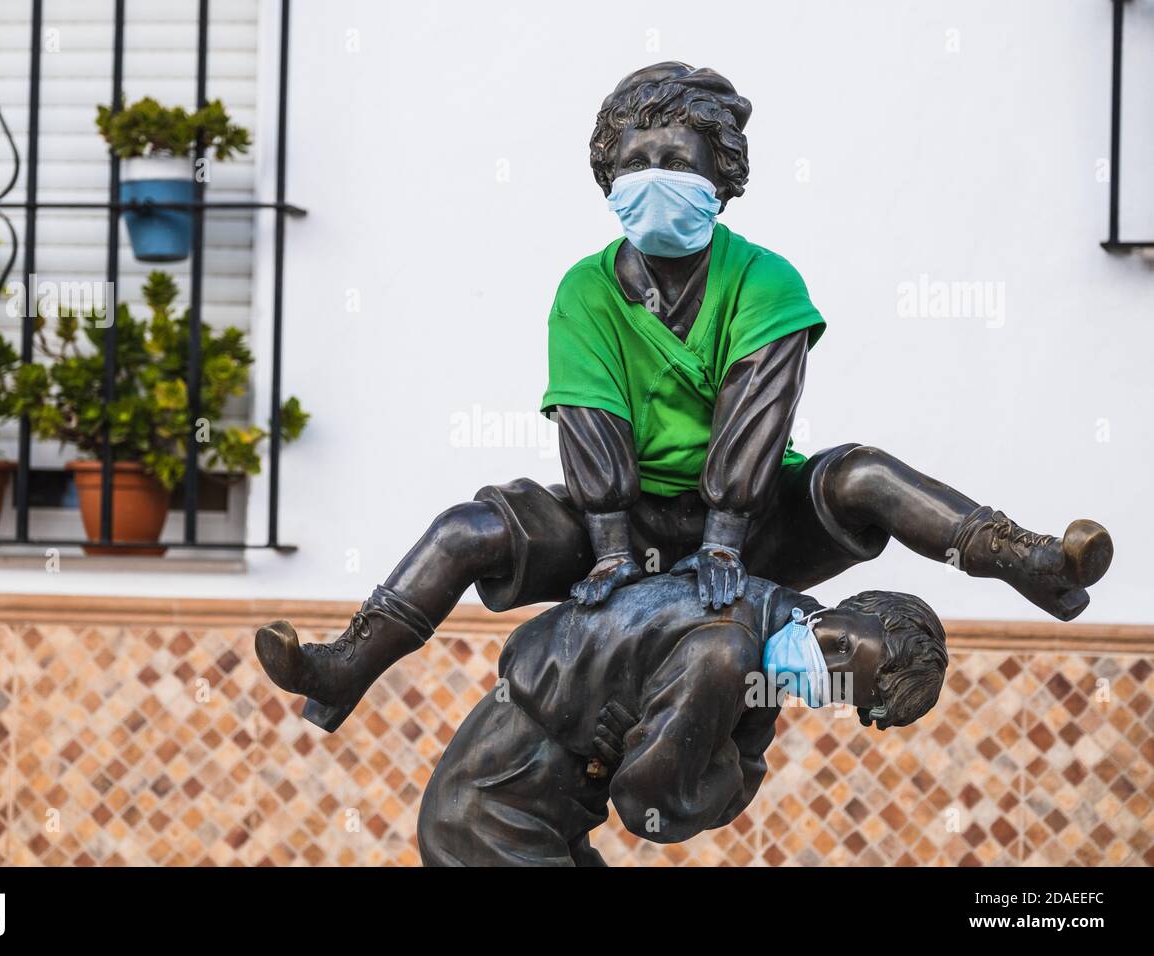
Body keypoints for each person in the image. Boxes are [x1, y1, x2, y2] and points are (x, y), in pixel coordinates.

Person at [254, 62, 1111, 733]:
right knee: (465, 531)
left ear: (721, 174)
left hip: (753, 524)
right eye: (633, 162)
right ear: (606, 175)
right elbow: (590, 425)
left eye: (675, 161)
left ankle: (1028, 562)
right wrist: (609, 552)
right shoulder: (585, 290)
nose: (652, 176)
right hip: (617, 525)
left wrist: (729, 541)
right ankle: (345, 667)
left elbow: (757, 418)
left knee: (864, 476)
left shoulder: (763, 280)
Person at [411, 571, 948, 866]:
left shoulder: (763, 631)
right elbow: (650, 803)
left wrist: (666, 752)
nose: (821, 663)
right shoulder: (727, 651)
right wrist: (688, 761)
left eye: (836, 683)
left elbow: (733, 781)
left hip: (548, 820)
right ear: (849, 606)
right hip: (490, 818)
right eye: (841, 643)